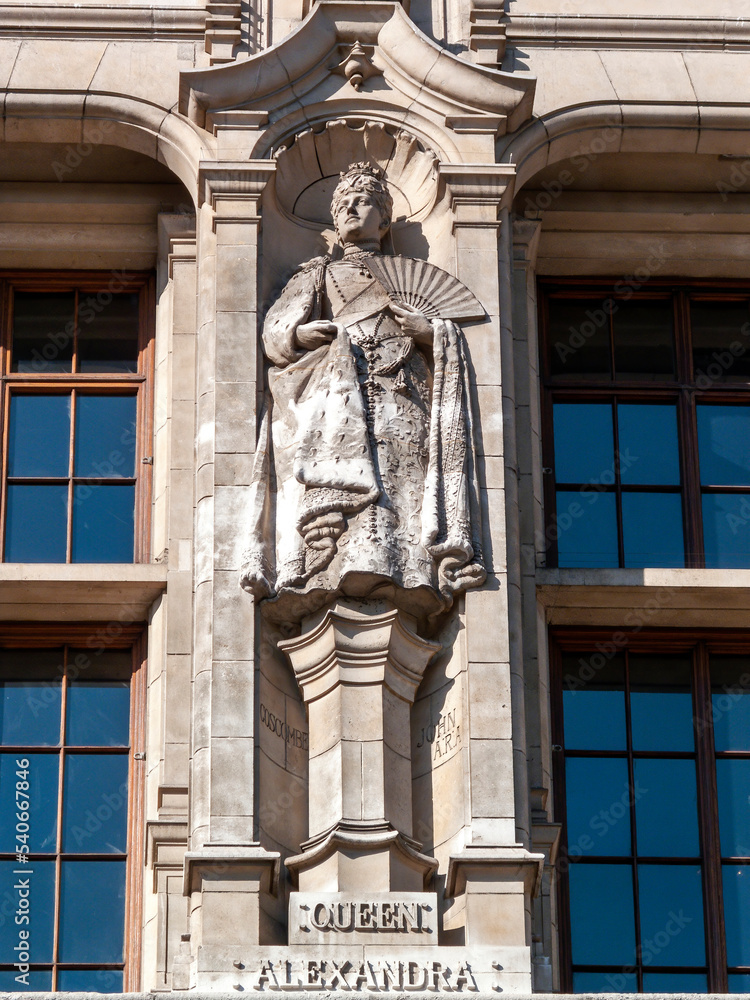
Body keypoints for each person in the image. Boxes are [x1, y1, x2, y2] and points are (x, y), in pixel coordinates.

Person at [241, 162, 485, 626]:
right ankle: (330, 568)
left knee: (398, 489)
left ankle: (405, 570)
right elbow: (275, 332)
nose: (352, 209)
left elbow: (449, 340)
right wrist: (299, 334)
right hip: (338, 398)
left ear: (385, 218)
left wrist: (431, 332)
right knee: (343, 489)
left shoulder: (409, 274)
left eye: (364, 201)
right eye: (343, 204)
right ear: (335, 219)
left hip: (401, 396)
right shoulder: (318, 274)